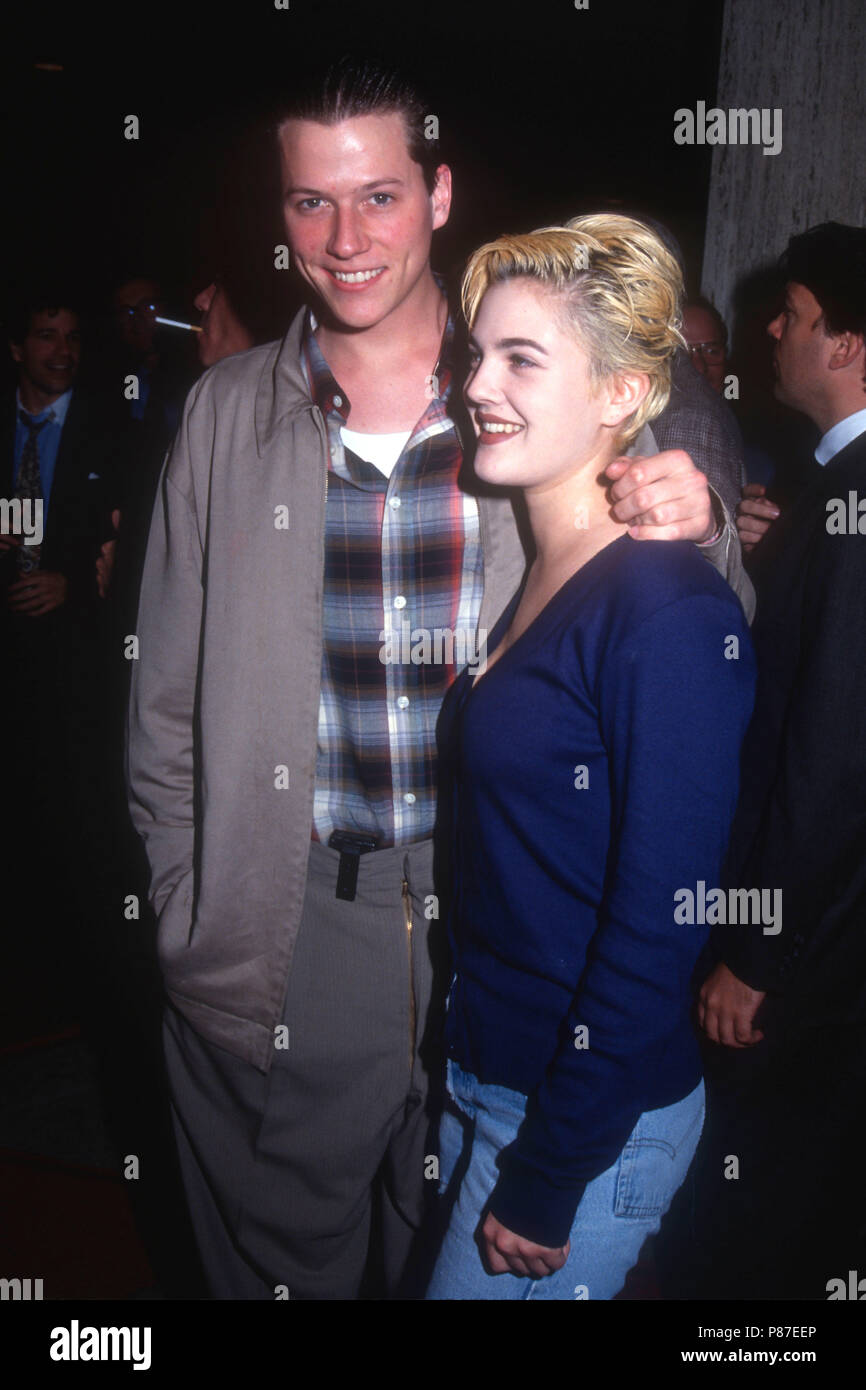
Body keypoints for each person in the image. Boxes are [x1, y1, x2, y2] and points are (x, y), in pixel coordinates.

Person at [126, 57, 751, 1302]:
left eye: (379, 197)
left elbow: (685, 649)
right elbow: (162, 708)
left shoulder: (533, 390)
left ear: (439, 193)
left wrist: (706, 521)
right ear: (280, 217)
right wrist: (194, 910)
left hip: (499, 928)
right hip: (296, 919)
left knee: (449, 1246)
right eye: (311, 203)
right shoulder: (221, 414)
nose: (345, 237)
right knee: (276, 1260)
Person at [423, 216, 755, 1300]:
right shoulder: (542, 566)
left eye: (522, 358)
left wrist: (554, 1162)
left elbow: (661, 919)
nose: (478, 384)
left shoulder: (659, 603)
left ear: (620, 394)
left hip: (580, 1118)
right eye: (478, 354)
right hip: (497, 1078)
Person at [665, 221, 866, 1300]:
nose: (768, 333)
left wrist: (756, 955)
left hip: (809, 962)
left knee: (752, 1236)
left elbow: (831, 762)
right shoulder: (828, 494)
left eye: (788, 317)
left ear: (845, 343)